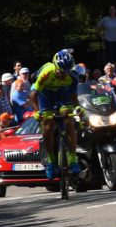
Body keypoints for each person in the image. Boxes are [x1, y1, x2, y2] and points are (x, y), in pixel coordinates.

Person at [29, 49, 80, 179]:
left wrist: (78, 107)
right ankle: (51, 160)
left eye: (67, 72)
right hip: (45, 94)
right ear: (55, 67)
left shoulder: (73, 76)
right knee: (48, 124)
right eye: (61, 72)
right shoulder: (47, 72)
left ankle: (73, 157)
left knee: (68, 117)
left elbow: (73, 96)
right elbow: (33, 95)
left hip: (63, 94)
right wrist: (37, 112)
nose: (64, 75)